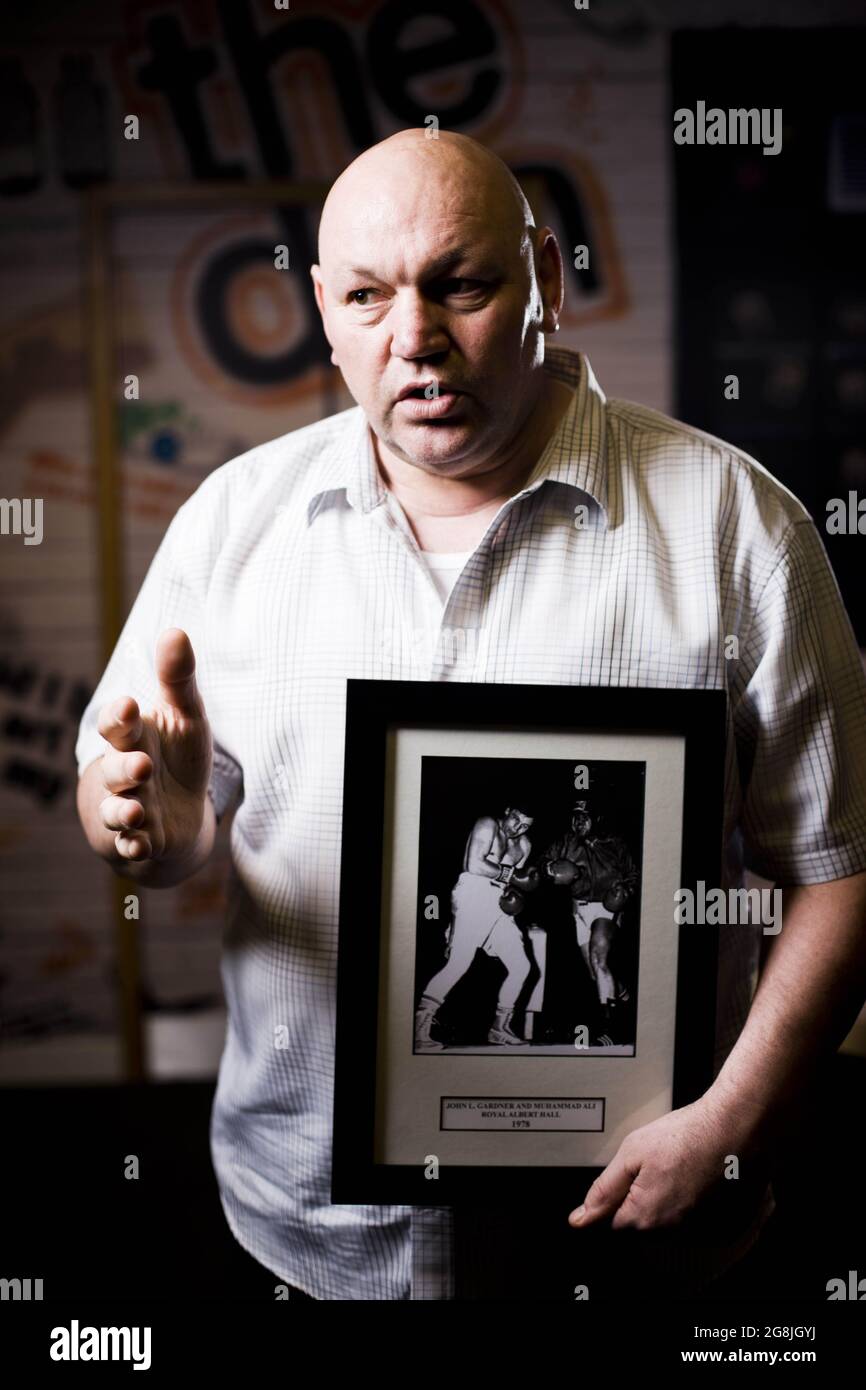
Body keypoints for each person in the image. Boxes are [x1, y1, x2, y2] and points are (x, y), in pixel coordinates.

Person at [74, 128, 866, 1301]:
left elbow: (838, 870)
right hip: (306, 1234)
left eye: (462, 284)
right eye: (366, 297)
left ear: (545, 273)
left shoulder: (737, 531)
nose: (416, 341)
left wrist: (728, 1121)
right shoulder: (228, 525)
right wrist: (156, 820)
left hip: (629, 1247)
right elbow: (159, 823)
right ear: (324, 312)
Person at [415, 801, 536, 1050]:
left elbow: (517, 884)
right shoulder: (487, 823)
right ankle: (419, 1029)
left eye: (526, 825)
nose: (519, 828)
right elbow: (475, 865)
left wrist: (523, 890)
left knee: (521, 966)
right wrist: (513, 877)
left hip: (500, 903)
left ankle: (499, 1028)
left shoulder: (524, 845)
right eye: (517, 820)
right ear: (508, 810)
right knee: (459, 962)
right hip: (473, 892)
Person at [540, 799, 638, 1041]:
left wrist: (625, 891)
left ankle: (609, 1030)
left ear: (597, 818)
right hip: (578, 910)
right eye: (575, 816)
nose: (579, 821)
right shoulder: (565, 842)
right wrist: (551, 868)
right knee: (596, 972)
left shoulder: (614, 843)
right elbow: (540, 865)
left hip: (606, 910)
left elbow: (633, 874)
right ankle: (623, 994)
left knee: (598, 958)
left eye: (585, 816)